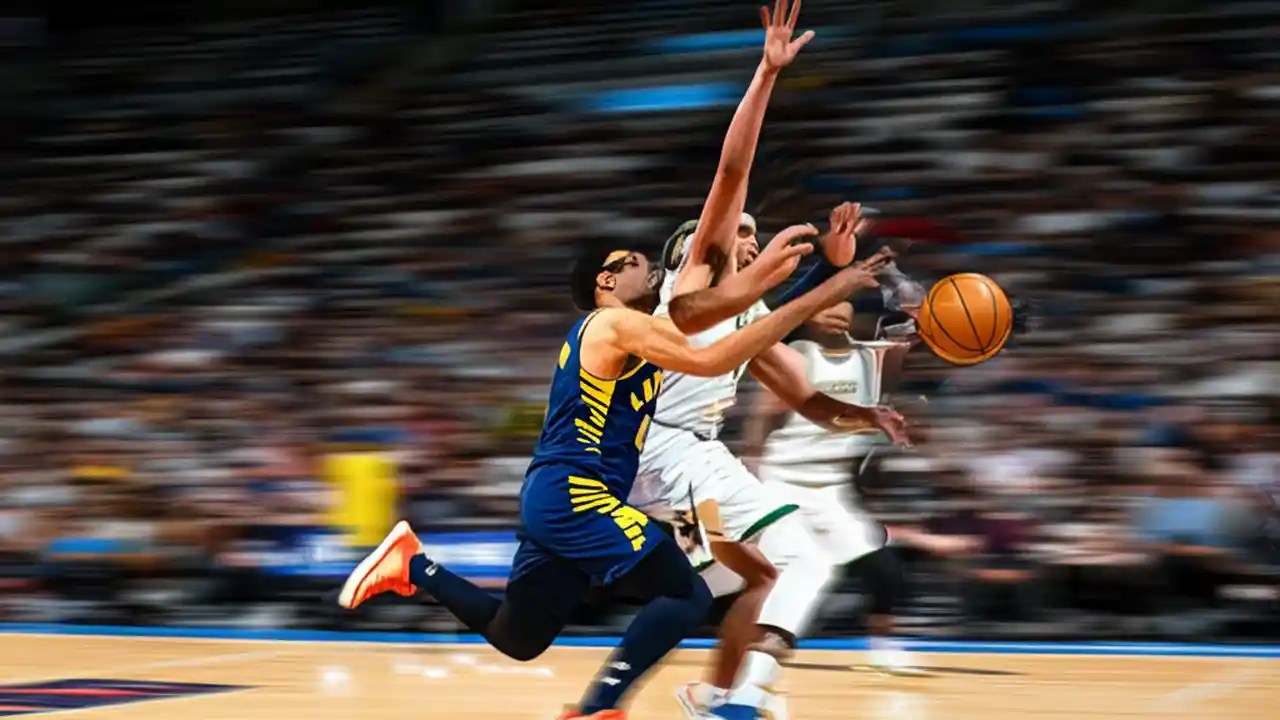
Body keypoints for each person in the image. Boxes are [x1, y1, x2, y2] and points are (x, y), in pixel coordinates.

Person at [335, 9, 873, 718]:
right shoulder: (632, 315)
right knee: (688, 592)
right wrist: (766, 74)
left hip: (581, 488)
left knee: (520, 636)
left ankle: (415, 564)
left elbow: (751, 331)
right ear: (612, 279)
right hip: (593, 486)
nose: (645, 264)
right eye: (632, 262)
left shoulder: (660, 317)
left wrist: (815, 282)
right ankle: (603, 710)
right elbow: (729, 193)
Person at [629, 206, 907, 720]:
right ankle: (740, 699)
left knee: (730, 579)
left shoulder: (741, 312)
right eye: (741, 232)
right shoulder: (680, 301)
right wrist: (830, 271)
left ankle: (706, 696)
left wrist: (865, 416)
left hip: (679, 471)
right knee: (798, 560)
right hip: (669, 458)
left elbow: (801, 386)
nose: (754, 240)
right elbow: (779, 307)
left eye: (755, 232)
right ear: (694, 252)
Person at [749, 299, 973, 676]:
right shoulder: (795, 356)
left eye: (844, 307)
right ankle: (769, 637)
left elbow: (910, 354)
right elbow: (762, 415)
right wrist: (752, 467)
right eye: (826, 306)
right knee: (796, 565)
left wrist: (945, 325)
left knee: (884, 569)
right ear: (808, 316)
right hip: (782, 477)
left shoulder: (871, 357)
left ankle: (883, 649)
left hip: (830, 485)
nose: (837, 313)